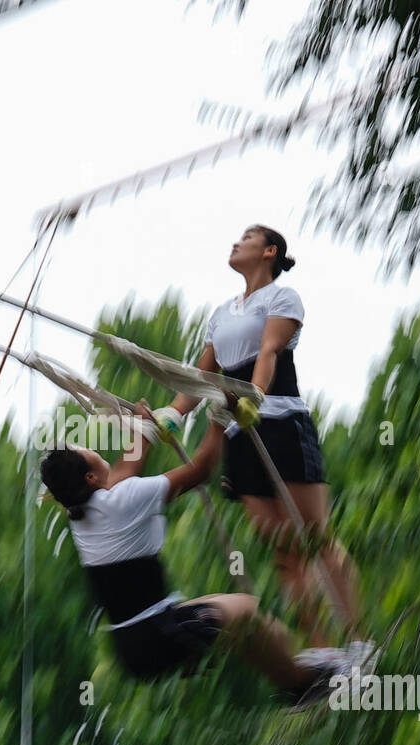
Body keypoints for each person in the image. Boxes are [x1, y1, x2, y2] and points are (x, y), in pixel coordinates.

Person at [38, 399, 353, 707]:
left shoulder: (79, 512)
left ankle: (300, 679)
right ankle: (304, 681)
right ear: (91, 478)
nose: (93, 450)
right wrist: (218, 416)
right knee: (246, 614)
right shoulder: (126, 499)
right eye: (88, 452)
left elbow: (125, 468)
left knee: (241, 618)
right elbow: (201, 469)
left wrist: (142, 427)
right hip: (158, 634)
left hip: (133, 644)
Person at [150, 225, 366, 654]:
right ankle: (325, 651)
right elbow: (202, 376)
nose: (235, 241)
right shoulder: (220, 313)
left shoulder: (282, 298)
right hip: (239, 435)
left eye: (246, 237)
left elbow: (268, 352)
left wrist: (256, 398)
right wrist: (173, 414)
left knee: (315, 537)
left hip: (280, 420)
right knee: (286, 553)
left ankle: (359, 641)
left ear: (269, 252)